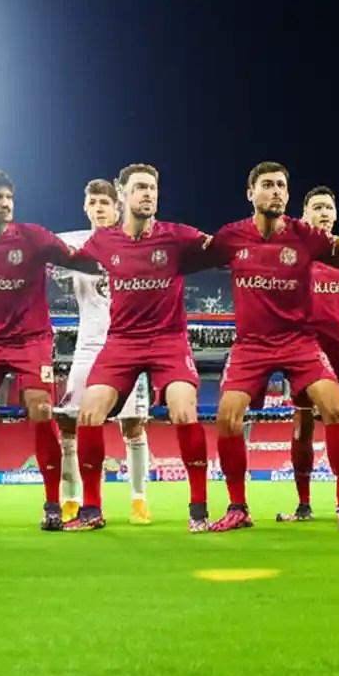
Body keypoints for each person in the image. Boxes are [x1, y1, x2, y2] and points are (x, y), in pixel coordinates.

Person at [207, 163, 339, 532]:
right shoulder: (231, 236)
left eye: (282, 185)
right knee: (227, 415)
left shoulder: (306, 236)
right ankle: (238, 508)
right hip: (250, 345)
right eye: (268, 185)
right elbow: (189, 257)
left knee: (334, 406)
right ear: (251, 193)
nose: (277, 191)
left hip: (299, 341)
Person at [68, 163, 212, 532]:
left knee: (183, 409)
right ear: (123, 195)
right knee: (89, 412)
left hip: (168, 339)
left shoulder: (177, 236)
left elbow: (220, 248)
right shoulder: (103, 241)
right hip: (122, 342)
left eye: (153, 188)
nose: (148, 194)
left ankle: (199, 510)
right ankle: (91, 509)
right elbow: (56, 249)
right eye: (140, 188)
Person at [0, 168, 93, 531]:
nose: (6, 203)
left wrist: (121, 253)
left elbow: (77, 258)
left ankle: (52, 505)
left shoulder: (34, 236)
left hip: (31, 339)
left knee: (41, 408)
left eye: (9, 196)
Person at [54, 179, 153, 526]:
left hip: (127, 342)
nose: (99, 208)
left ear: (118, 207)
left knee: (133, 426)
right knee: (70, 423)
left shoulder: (135, 241)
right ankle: (71, 498)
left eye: (105, 203)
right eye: (93, 202)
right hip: (88, 345)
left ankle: (139, 499)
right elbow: (38, 248)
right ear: (86, 208)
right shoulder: (73, 243)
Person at [278, 185, 339, 523]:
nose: (324, 213)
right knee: (304, 423)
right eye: (317, 208)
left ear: (336, 214)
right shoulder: (292, 252)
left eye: (328, 207)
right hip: (303, 348)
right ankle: (304, 504)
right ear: (305, 214)